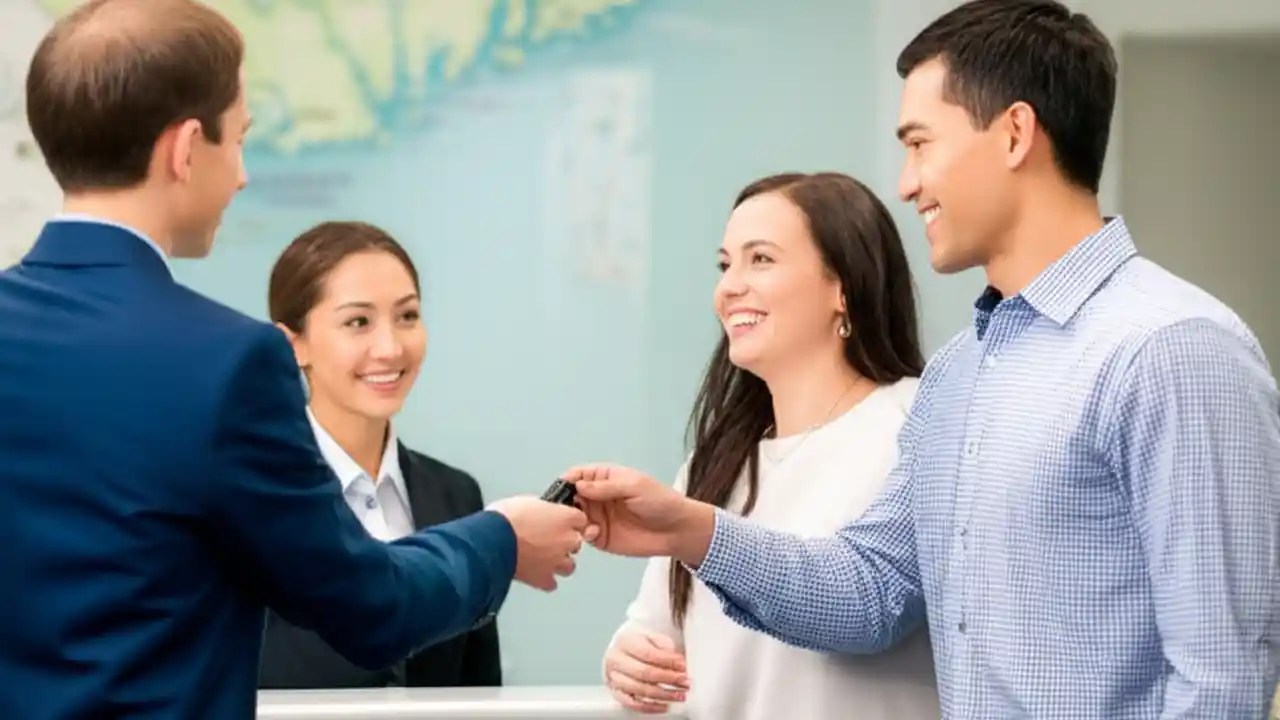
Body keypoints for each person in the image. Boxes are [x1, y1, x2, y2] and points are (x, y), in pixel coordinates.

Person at [565, 1, 1280, 717]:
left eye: (920, 144)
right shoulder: (960, 373)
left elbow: (1221, 677)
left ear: (1014, 134)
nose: (906, 183)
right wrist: (691, 529)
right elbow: (869, 591)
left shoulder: (1171, 348)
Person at [0, 2, 588, 718]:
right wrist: (501, 539)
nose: (242, 176)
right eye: (238, 141)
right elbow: (369, 607)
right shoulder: (226, 362)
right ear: (186, 150)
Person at [600, 172, 939, 719]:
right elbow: (653, 632)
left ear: (843, 287)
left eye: (760, 259)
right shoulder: (714, 465)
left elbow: (867, 604)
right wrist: (626, 659)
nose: (729, 286)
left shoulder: (917, 420)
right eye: (724, 264)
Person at [256, 221, 502, 689]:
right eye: (358, 322)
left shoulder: (456, 495)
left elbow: (478, 690)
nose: (390, 348)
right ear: (293, 345)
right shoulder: (253, 494)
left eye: (407, 316)